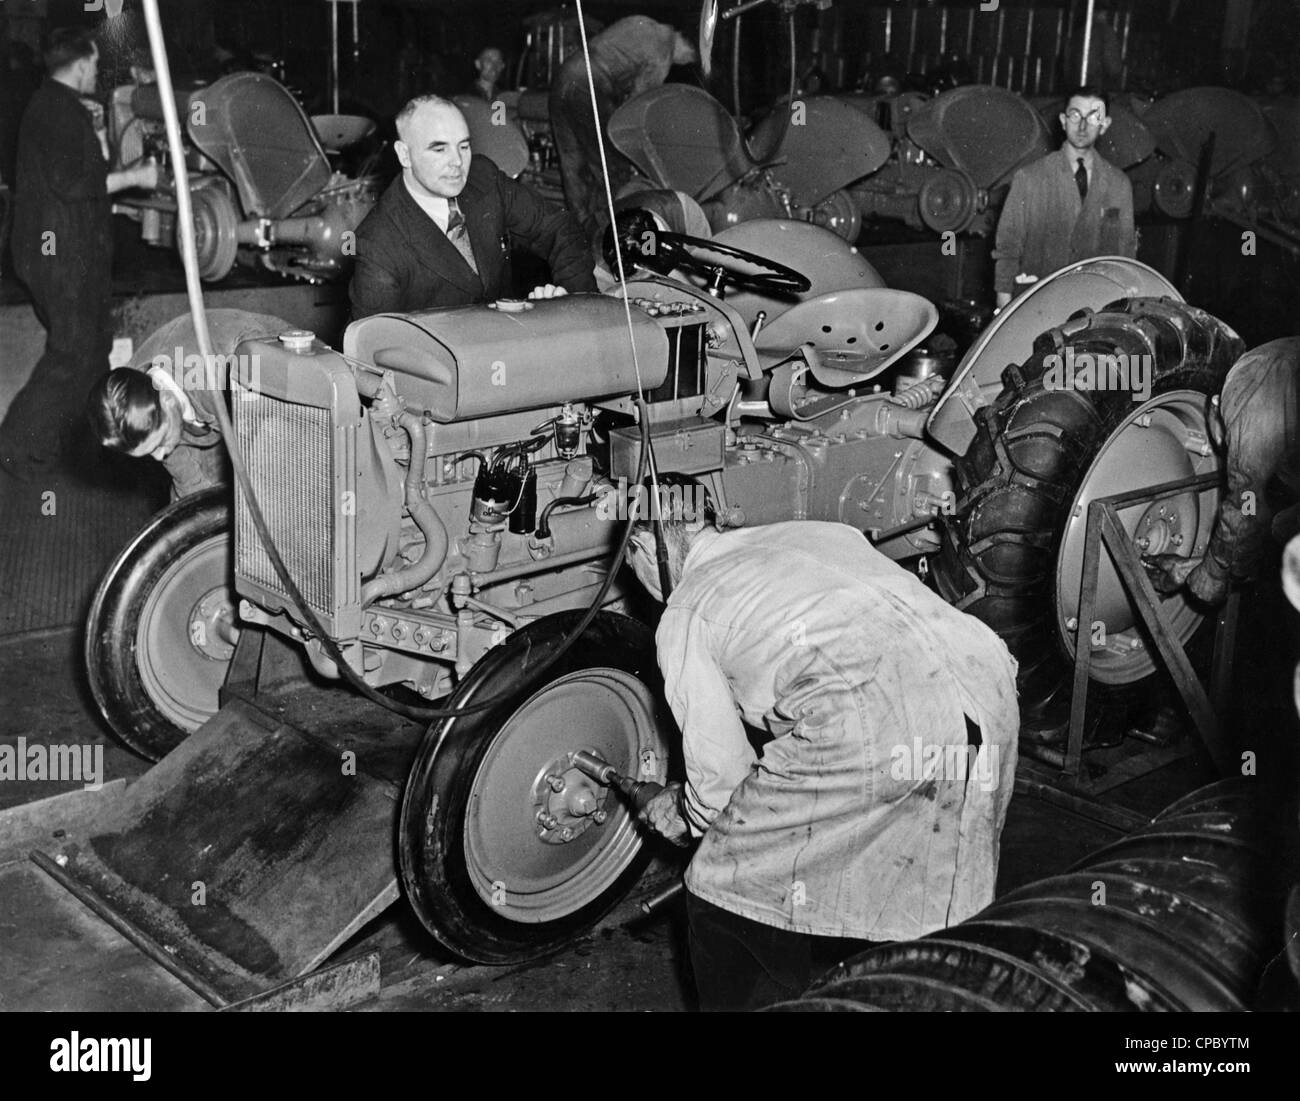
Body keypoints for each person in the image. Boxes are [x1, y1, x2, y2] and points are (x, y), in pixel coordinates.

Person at [626, 502, 1020, 1011]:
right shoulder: (815, 532)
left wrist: (681, 812)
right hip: (986, 686)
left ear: (642, 547)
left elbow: (719, 791)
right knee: (935, 896)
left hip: (870, 715)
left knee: (725, 890)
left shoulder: (685, 609)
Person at [0, 27, 158, 480]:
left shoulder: (52, 105)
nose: (96, 75)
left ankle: (81, 449)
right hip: (59, 255)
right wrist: (138, 179)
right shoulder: (57, 111)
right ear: (83, 63)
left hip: (59, 251)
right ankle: (16, 447)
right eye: (94, 66)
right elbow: (75, 184)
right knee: (72, 353)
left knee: (90, 351)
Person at [349, 95, 595, 319]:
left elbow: (558, 226)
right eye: (440, 148)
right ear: (404, 155)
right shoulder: (377, 245)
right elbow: (374, 351)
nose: (457, 162)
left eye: (463, 146)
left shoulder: (483, 177)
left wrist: (572, 303)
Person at [1147, 337, 1300, 605]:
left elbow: (1249, 501)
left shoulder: (1256, 382)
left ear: (1216, 405)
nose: (1228, 448)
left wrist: (1213, 572)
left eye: (1226, 443)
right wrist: (1204, 564)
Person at [86, 310, 292, 501]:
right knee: (187, 507)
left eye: (158, 445)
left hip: (284, 384)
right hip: (209, 416)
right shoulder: (134, 393)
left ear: (167, 400)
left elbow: (266, 447)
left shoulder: (224, 374)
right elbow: (187, 478)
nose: (159, 456)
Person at [548, 16, 697, 240]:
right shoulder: (663, 49)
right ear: (685, 42)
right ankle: (611, 237)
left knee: (573, 166)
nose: (684, 62)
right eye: (688, 57)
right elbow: (636, 109)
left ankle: (578, 238)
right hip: (590, 85)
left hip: (564, 76)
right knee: (612, 167)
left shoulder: (644, 23)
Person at [992, 86, 1136, 310]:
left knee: (1072, 349)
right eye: (1075, 114)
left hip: (1093, 308)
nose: (1082, 125)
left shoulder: (1119, 185)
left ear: (1105, 124)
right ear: (1062, 120)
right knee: (1055, 348)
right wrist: (1003, 306)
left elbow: (1126, 255)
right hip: (1036, 306)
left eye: (1093, 117)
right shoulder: (1030, 178)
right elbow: (1008, 247)